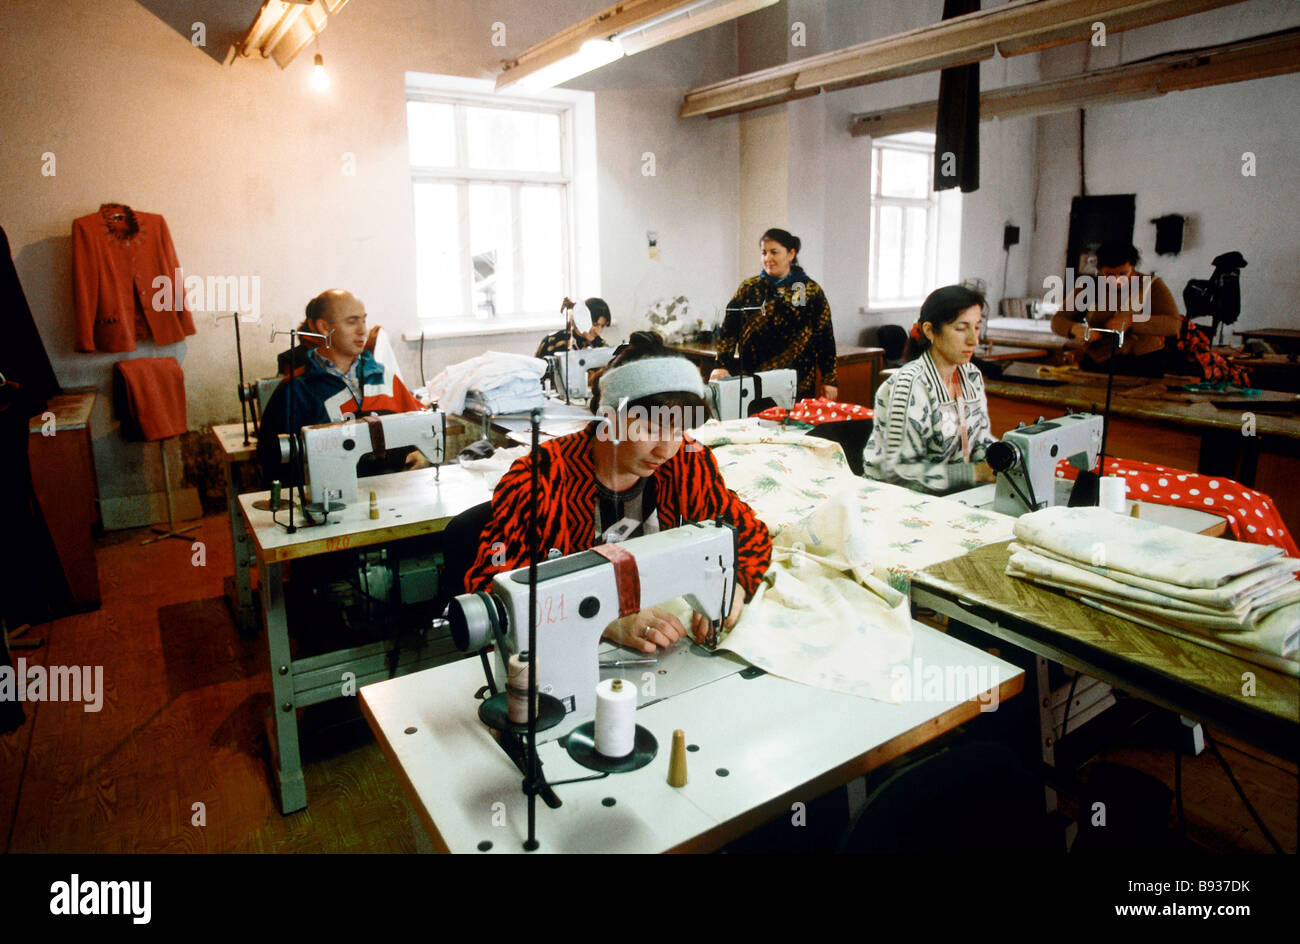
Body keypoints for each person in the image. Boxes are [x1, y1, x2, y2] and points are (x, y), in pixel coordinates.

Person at [465, 331, 773, 653]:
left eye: (679, 430)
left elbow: (748, 532)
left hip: (664, 648)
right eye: (651, 429)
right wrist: (602, 621)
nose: (666, 449)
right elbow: (492, 593)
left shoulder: (687, 464)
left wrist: (735, 584)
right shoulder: (539, 481)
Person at [257, 289, 428, 485]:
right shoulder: (295, 392)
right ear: (323, 327)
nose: (362, 330)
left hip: (394, 494)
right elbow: (275, 464)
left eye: (363, 320)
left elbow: (421, 430)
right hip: (331, 504)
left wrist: (420, 453)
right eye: (351, 321)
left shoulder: (384, 378)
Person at [863, 285, 996, 494]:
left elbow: (980, 442)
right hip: (892, 497)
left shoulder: (971, 376)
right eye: (961, 328)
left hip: (949, 494)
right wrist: (974, 473)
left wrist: (998, 461)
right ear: (929, 331)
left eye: (977, 327)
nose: (974, 340)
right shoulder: (910, 386)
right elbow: (898, 471)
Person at [711, 228, 837, 402]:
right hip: (752, 379)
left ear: (791, 254)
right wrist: (722, 365)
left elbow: (825, 337)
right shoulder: (749, 289)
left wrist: (829, 379)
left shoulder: (808, 290)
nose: (767, 258)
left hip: (797, 382)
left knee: (793, 427)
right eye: (764, 253)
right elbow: (728, 331)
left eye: (774, 252)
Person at [1050, 241, 1183, 376]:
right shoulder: (1090, 286)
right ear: (1100, 269)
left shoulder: (1151, 285)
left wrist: (1131, 321)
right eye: (1109, 274)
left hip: (1143, 362)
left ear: (1132, 267)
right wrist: (1075, 329)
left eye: (1123, 273)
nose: (1117, 280)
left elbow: (1173, 324)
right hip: (1099, 361)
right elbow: (1057, 321)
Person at [534, 296, 611, 359]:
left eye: (602, 326)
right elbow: (535, 374)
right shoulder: (552, 341)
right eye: (595, 325)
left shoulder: (600, 346)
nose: (598, 331)